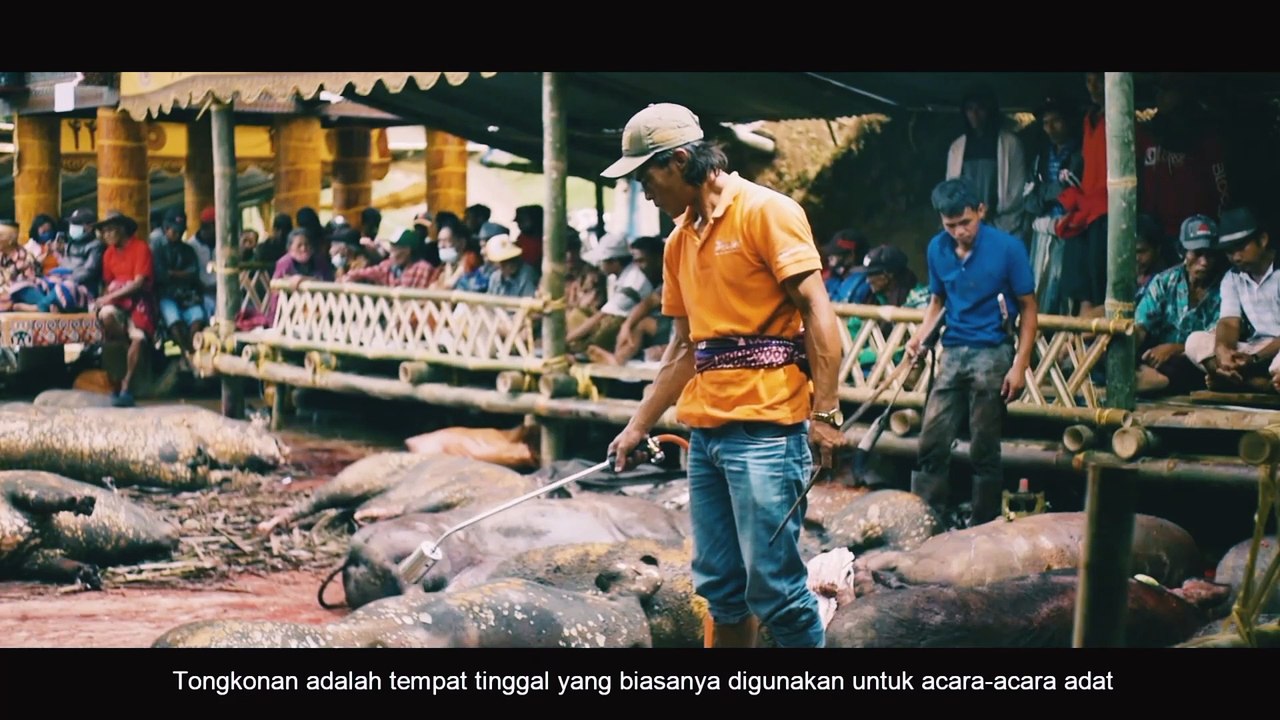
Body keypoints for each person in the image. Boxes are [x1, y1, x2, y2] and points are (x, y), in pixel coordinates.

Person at [600, 103, 843, 648]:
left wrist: (825, 414)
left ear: (681, 160)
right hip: (706, 434)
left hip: (767, 427)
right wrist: (638, 425)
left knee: (777, 590)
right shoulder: (677, 242)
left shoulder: (767, 212)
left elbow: (819, 314)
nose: (644, 191)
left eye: (647, 175)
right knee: (720, 589)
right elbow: (684, 350)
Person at [907, 179, 1037, 527]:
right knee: (932, 437)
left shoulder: (1008, 248)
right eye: (950, 226)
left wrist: (1019, 366)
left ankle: (983, 525)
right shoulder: (938, 249)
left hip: (993, 351)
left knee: (984, 443)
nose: (959, 231)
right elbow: (937, 301)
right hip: (952, 350)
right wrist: (920, 337)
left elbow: (1028, 308)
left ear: (981, 210)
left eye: (966, 222)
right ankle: (924, 520)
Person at [1183, 207, 1280, 392]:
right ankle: (1247, 381)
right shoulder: (1232, 277)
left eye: (1241, 248)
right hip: (1255, 349)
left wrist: (1256, 360)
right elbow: (1229, 322)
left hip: (1271, 354)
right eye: (1229, 251)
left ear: (1263, 240)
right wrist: (1222, 350)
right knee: (1194, 342)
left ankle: (1249, 384)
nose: (1235, 257)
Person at [1133, 214, 1225, 395]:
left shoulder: (1226, 287)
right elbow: (1141, 325)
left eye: (1210, 254)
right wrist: (1129, 350)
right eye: (1197, 254)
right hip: (1154, 360)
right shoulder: (1165, 281)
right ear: (1182, 251)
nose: (1204, 262)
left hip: (1194, 366)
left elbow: (1218, 341)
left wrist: (1174, 349)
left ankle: (1155, 382)